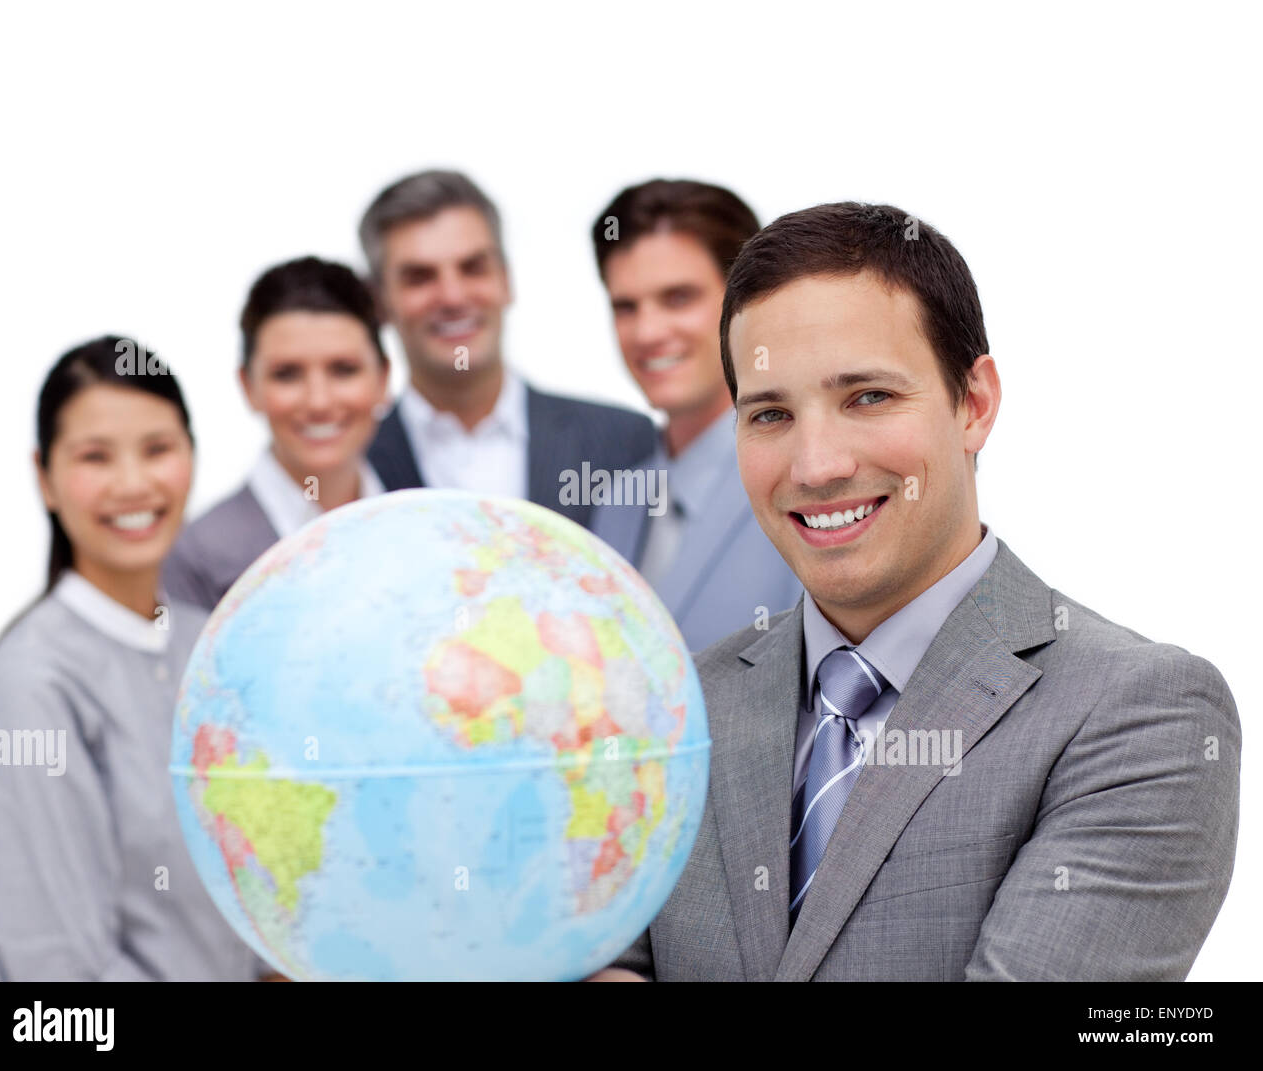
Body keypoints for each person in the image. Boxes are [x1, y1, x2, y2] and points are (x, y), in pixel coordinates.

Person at [594, 202, 1240, 981]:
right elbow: (597, 957)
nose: (816, 464)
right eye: (770, 413)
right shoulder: (675, 709)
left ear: (975, 403)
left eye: (867, 396)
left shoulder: (1139, 712)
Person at [0, 336, 270, 981]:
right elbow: (58, 986)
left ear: (191, 455)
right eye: (95, 457)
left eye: (157, 449)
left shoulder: (209, 647)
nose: (133, 484)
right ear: (44, 476)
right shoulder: (27, 690)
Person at [359, 169, 656, 528]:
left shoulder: (623, 442)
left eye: (473, 268)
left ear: (506, 280)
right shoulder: (349, 462)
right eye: (420, 277)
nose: (452, 297)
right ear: (379, 302)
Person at [588, 179, 801, 650]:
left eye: (678, 298)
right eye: (626, 307)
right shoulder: (619, 501)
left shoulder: (807, 481)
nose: (647, 331)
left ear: (748, 301)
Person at [164, 256, 390, 610]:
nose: (319, 401)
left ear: (383, 379)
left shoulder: (428, 520)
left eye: (343, 370)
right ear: (247, 386)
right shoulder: (197, 559)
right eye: (287, 374)